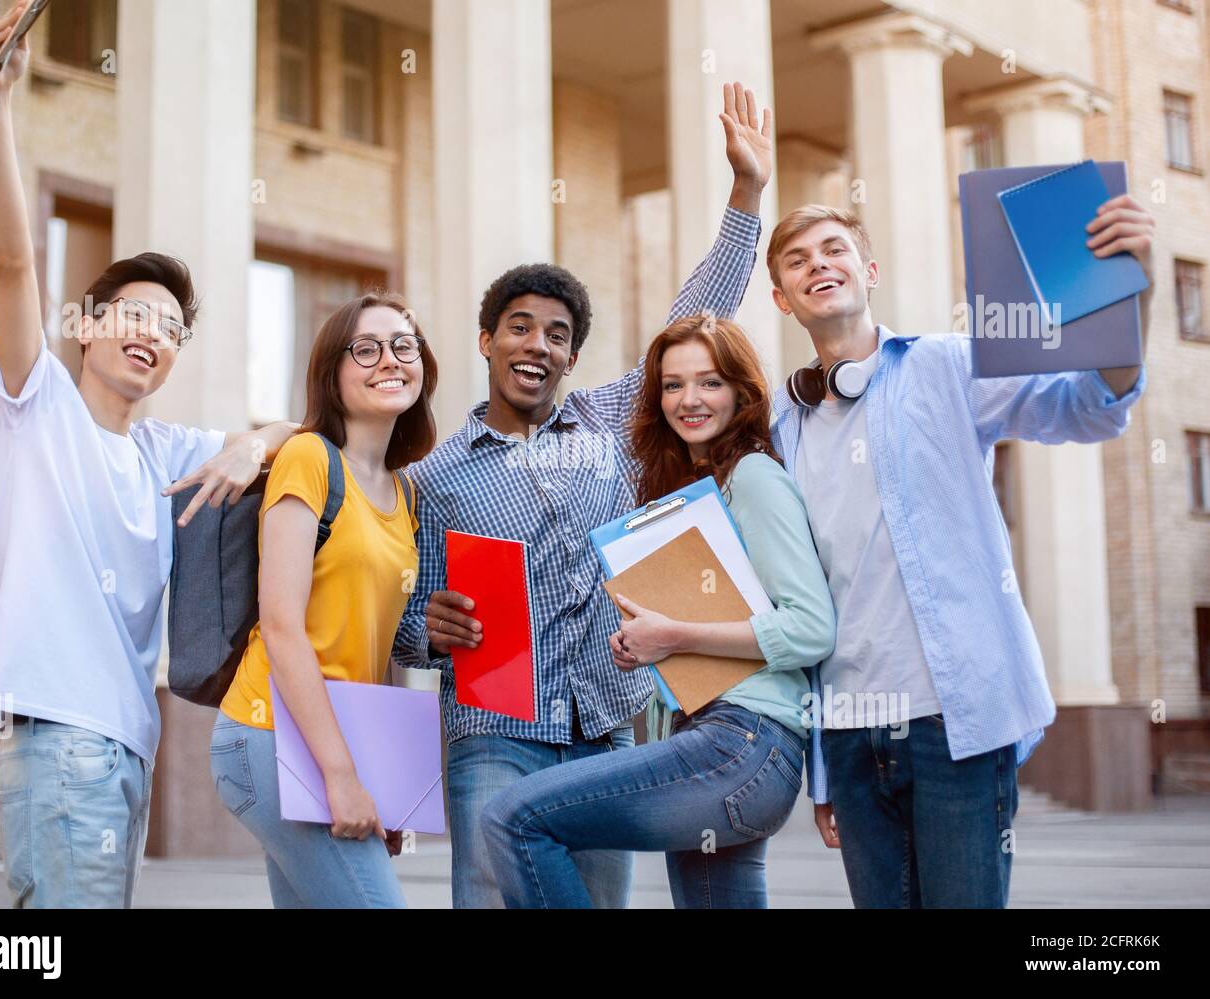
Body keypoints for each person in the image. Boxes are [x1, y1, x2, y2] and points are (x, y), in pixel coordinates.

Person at [391, 82, 771, 908]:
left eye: (558, 335)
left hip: (606, 735)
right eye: (521, 327)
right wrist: (429, 628)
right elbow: (402, 623)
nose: (538, 344)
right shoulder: (430, 479)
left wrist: (746, 191)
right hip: (494, 737)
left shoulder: (610, 423)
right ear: (487, 340)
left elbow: (696, 316)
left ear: (570, 358)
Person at [0, 4, 298, 908]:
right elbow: (9, 261)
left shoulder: (167, 451)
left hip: (127, 745)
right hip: (62, 736)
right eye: (135, 315)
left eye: (171, 328)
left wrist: (253, 441)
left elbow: (301, 435)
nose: (152, 334)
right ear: (85, 327)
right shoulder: (36, 408)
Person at [765, 197, 1156, 908]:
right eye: (797, 260)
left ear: (869, 270)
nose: (818, 264)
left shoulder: (948, 365)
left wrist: (1132, 294)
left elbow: (1091, 403)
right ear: (781, 298)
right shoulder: (781, 425)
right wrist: (823, 766)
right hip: (849, 734)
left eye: (834, 248)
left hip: (956, 722)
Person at [480, 314, 836, 908]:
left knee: (515, 819)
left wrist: (674, 635)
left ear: (741, 392)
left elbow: (811, 627)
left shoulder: (753, 476)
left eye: (709, 382)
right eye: (673, 385)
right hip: (715, 741)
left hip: (742, 743)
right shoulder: (695, 489)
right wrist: (647, 645)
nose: (689, 399)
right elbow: (713, 629)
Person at [211, 293, 438, 908]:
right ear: (331, 374)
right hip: (268, 733)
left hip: (334, 741)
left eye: (403, 345)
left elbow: (369, 647)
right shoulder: (309, 459)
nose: (389, 359)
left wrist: (382, 782)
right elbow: (283, 627)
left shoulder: (405, 494)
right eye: (365, 348)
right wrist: (342, 777)